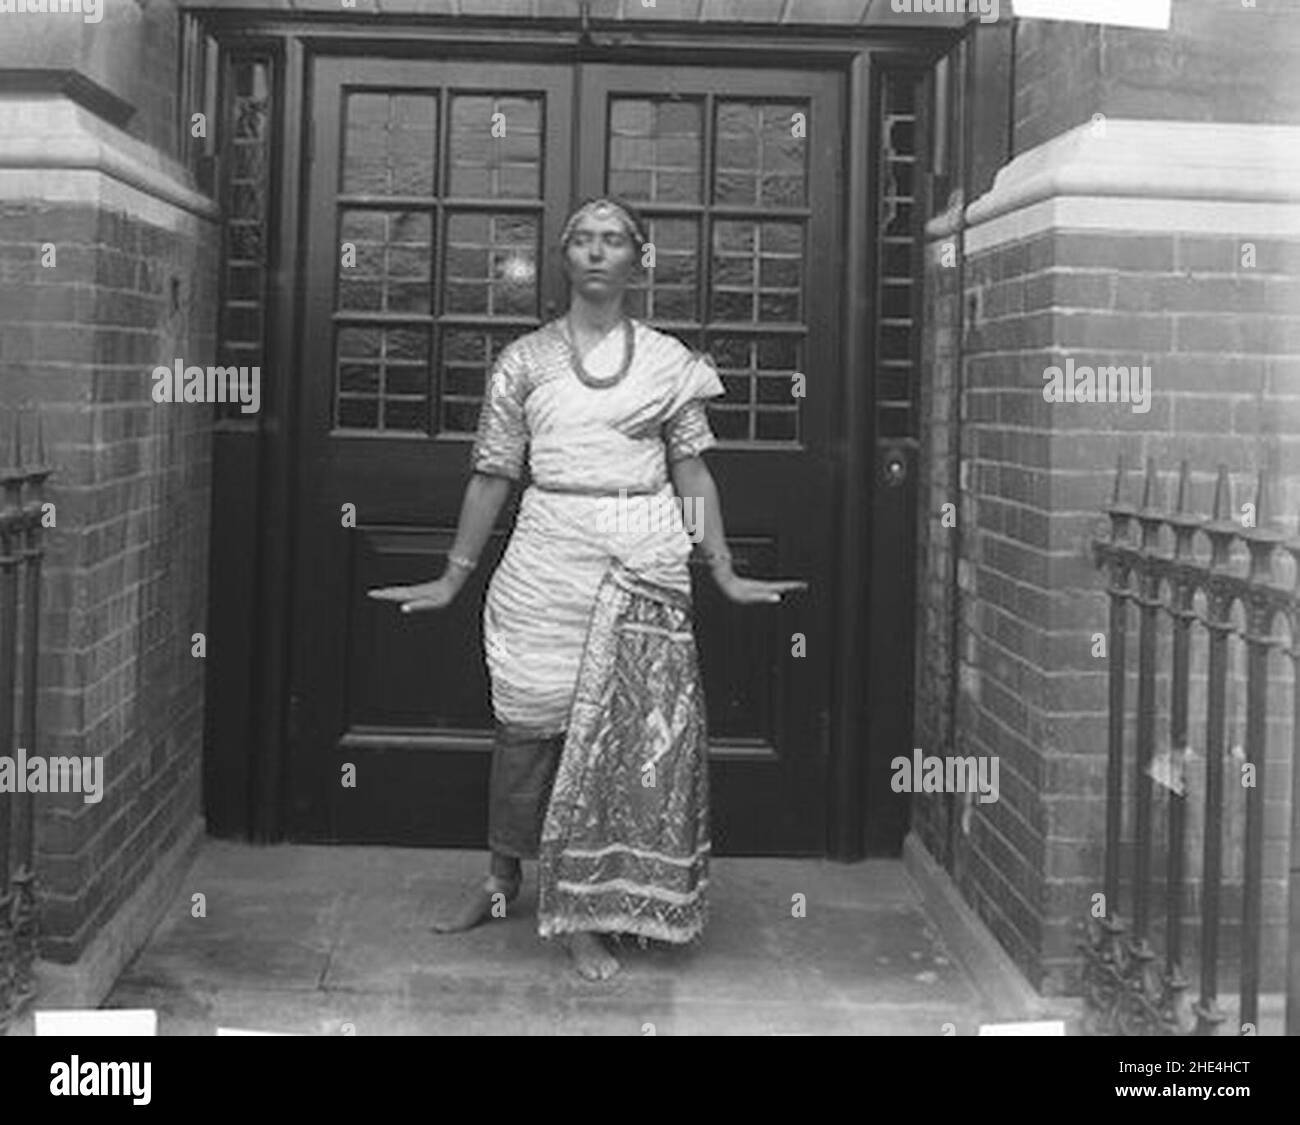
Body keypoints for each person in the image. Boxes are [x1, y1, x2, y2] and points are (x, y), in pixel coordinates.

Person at [369, 197, 806, 980]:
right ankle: (502, 881)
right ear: (564, 256)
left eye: (613, 241)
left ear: (638, 258)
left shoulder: (669, 362)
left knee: (623, 738)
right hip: (545, 560)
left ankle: (583, 910)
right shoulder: (524, 362)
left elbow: (691, 468)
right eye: (583, 240)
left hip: (641, 553)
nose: (598, 253)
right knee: (528, 724)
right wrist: (451, 575)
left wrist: (725, 566)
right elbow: (493, 471)